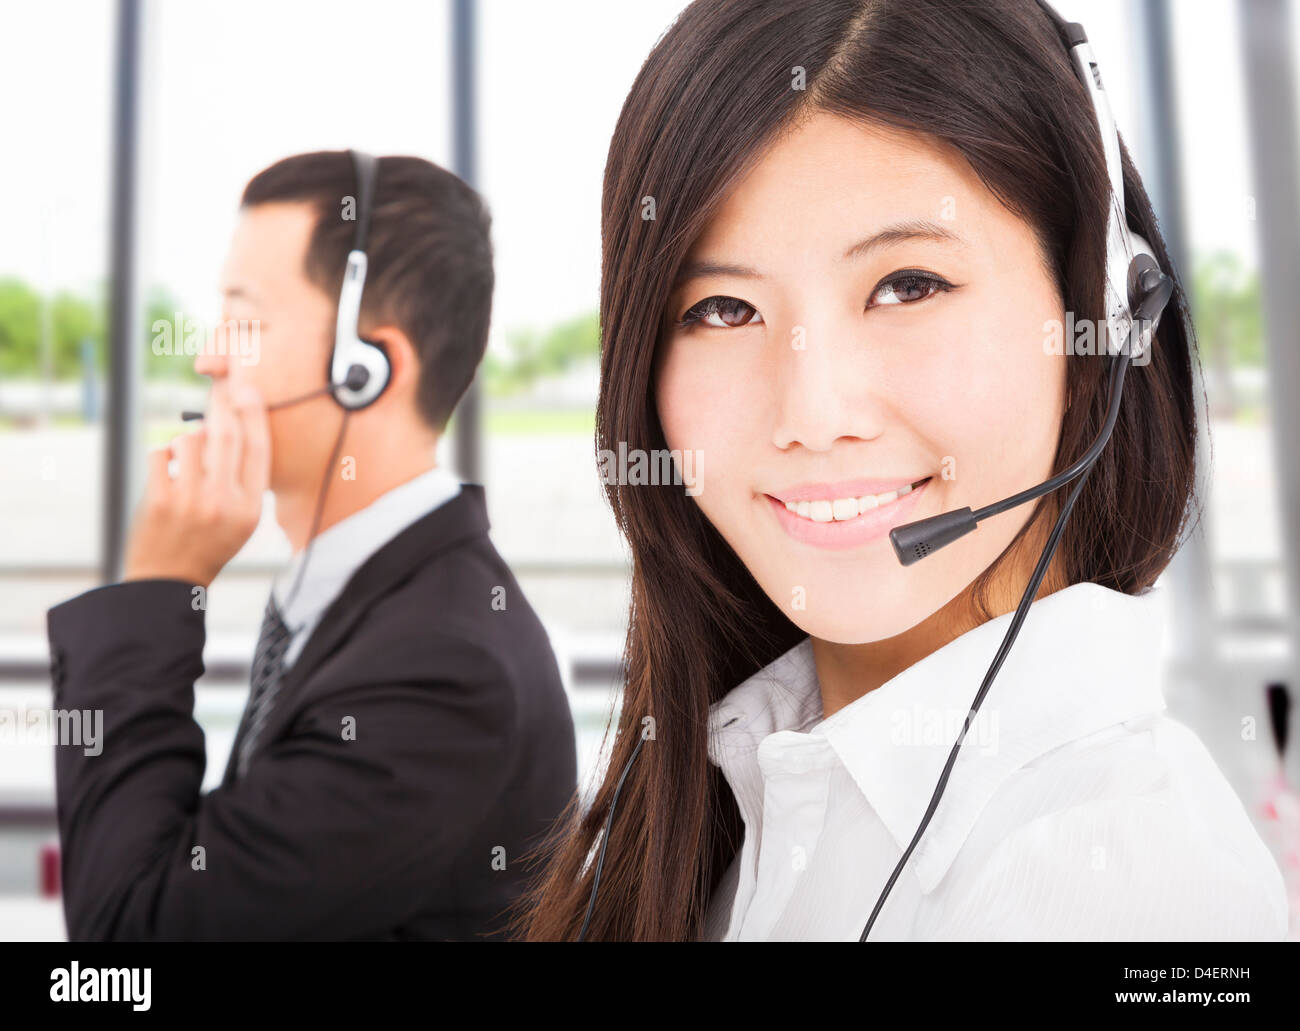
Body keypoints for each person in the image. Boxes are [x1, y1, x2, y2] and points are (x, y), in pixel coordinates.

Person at [512, 0, 1289, 941]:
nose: (812, 415)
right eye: (722, 308)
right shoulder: (744, 778)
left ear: (1101, 314)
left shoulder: (1122, 888)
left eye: (907, 285)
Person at [47, 150, 577, 940]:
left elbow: (132, 939)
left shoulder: (446, 671)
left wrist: (159, 584)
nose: (208, 357)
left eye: (243, 319)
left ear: (364, 368)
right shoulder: (363, 592)